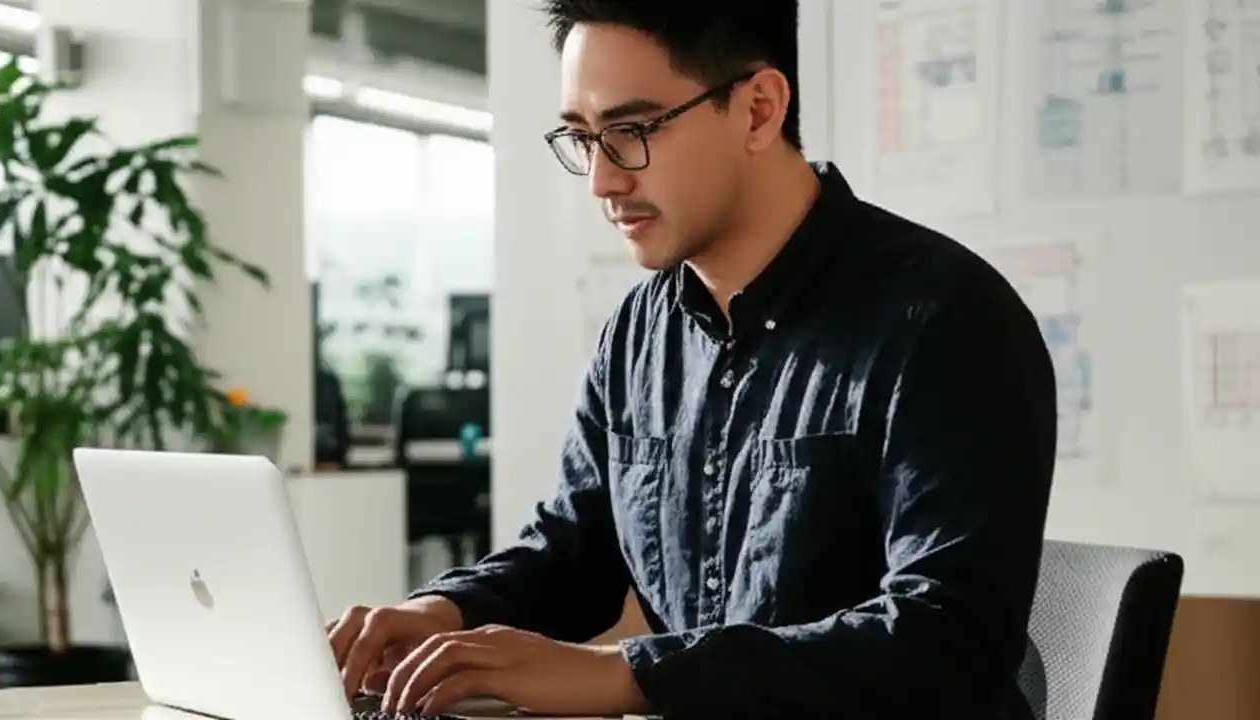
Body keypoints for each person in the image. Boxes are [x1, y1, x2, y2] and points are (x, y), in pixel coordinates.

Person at [327, 1, 1057, 717]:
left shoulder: (943, 320)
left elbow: (947, 641)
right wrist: (443, 612)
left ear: (759, 109)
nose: (604, 181)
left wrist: (625, 676)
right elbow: (575, 550)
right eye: (584, 138)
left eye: (632, 131)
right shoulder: (639, 334)